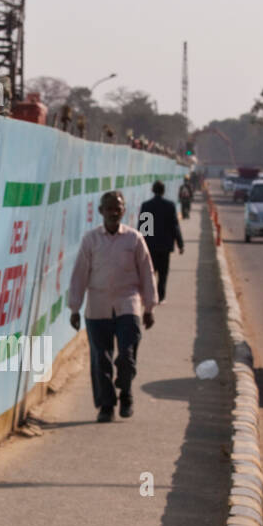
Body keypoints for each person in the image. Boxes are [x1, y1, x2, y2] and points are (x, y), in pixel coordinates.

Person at [68, 191, 157, 422]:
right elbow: (79, 274)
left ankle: (126, 392)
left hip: (128, 304)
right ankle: (106, 406)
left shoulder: (134, 239)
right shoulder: (91, 240)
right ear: (100, 211)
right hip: (97, 307)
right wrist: (74, 308)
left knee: (127, 356)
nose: (113, 212)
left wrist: (149, 307)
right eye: (109, 208)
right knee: (101, 359)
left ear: (124, 210)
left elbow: (147, 273)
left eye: (117, 208)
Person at [138, 181, 184, 303]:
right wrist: (180, 244)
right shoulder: (170, 206)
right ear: (163, 191)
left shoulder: (146, 205)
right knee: (163, 273)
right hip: (165, 246)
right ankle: (160, 297)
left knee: (150, 272)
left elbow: (143, 229)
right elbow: (174, 226)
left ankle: (149, 295)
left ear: (153, 190)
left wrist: (140, 245)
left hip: (150, 246)